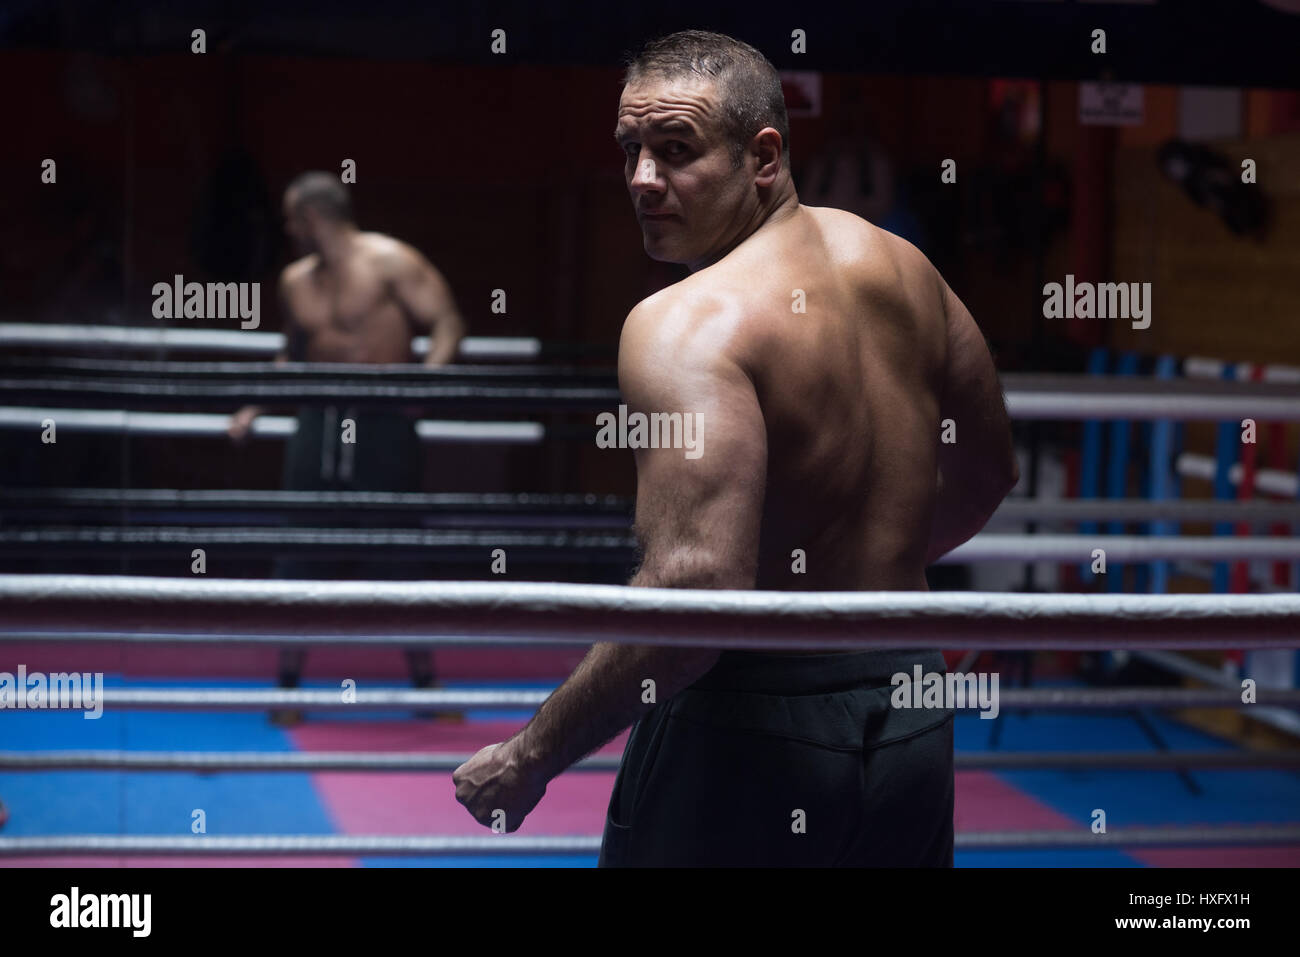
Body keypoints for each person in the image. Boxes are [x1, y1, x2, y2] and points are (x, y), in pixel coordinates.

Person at [453, 31, 1018, 865]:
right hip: (910, 713)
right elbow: (985, 473)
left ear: (763, 156)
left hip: (751, 728)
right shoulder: (906, 269)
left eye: (676, 150)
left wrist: (531, 754)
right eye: (631, 149)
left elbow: (699, 591)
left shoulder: (685, 320)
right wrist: (860, 569)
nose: (643, 179)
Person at [229, 171, 466, 719]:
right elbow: (294, 356)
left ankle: (427, 689)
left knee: (402, 553)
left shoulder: (391, 261)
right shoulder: (294, 281)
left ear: (312, 218)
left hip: (384, 418)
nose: (288, 229)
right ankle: (287, 690)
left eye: (292, 219)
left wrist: (424, 381)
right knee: (297, 551)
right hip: (317, 418)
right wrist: (253, 407)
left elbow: (448, 321)